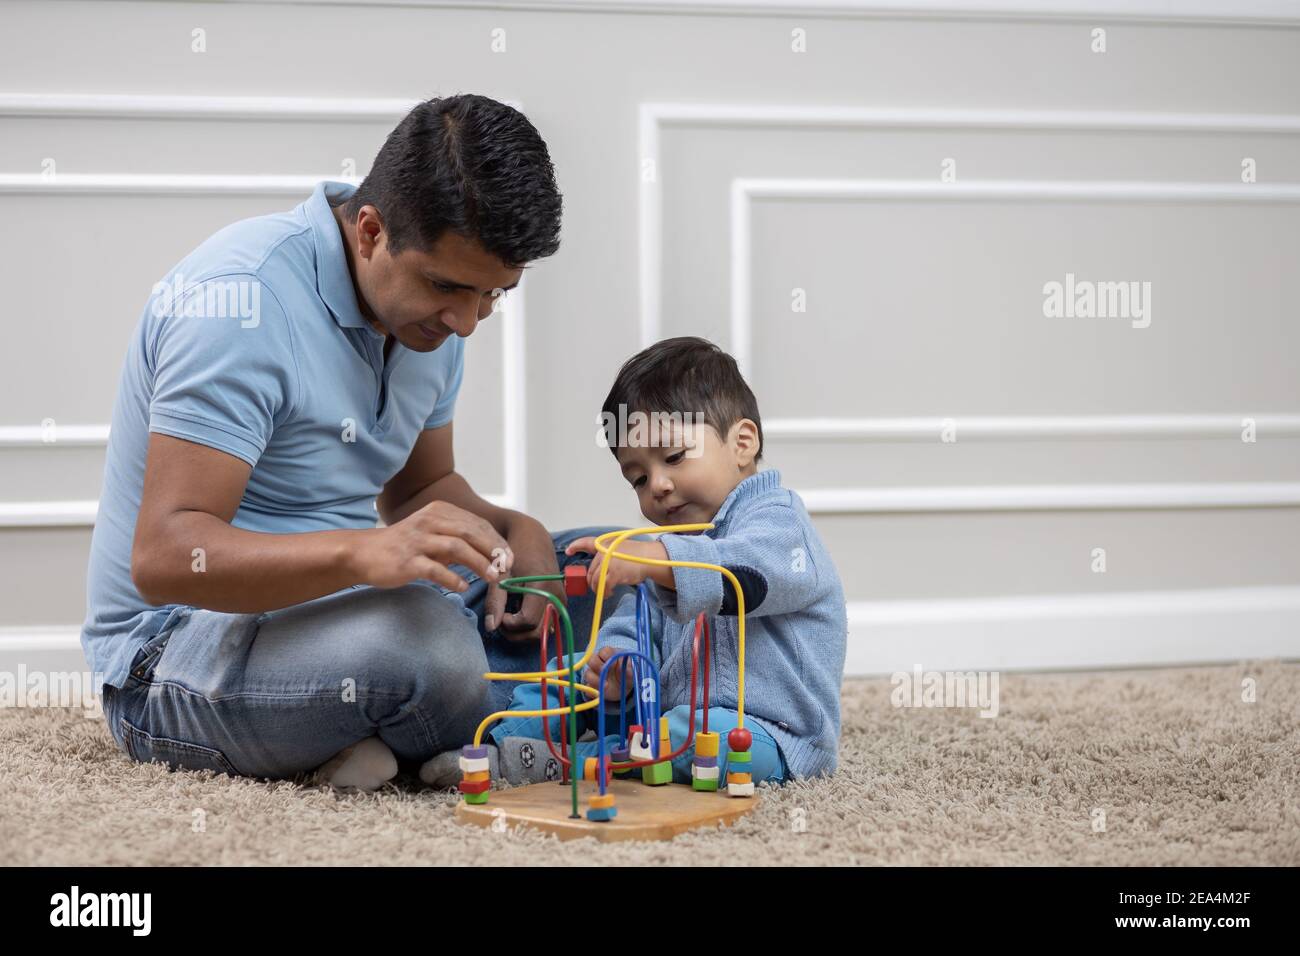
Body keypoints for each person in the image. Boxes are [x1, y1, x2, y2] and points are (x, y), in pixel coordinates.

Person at [85, 93, 627, 791]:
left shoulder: (430, 321)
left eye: (495, 295)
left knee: (613, 573)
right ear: (370, 232)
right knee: (430, 651)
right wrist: (364, 552)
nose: (467, 322)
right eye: (448, 288)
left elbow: (419, 490)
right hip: (175, 651)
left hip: (344, 608)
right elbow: (164, 557)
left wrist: (513, 529)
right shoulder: (240, 304)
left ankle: (404, 735)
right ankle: (524, 722)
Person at [427, 336, 848, 788]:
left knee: (691, 736)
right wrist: (617, 661)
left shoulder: (780, 522)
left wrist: (654, 558)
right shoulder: (671, 546)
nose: (658, 486)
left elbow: (743, 576)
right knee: (575, 666)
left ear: (742, 443)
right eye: (639, 478)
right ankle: (499, 739)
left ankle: (563, 762)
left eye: (673, 457)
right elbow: (637, 622)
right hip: (662, 704)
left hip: (769, 733)